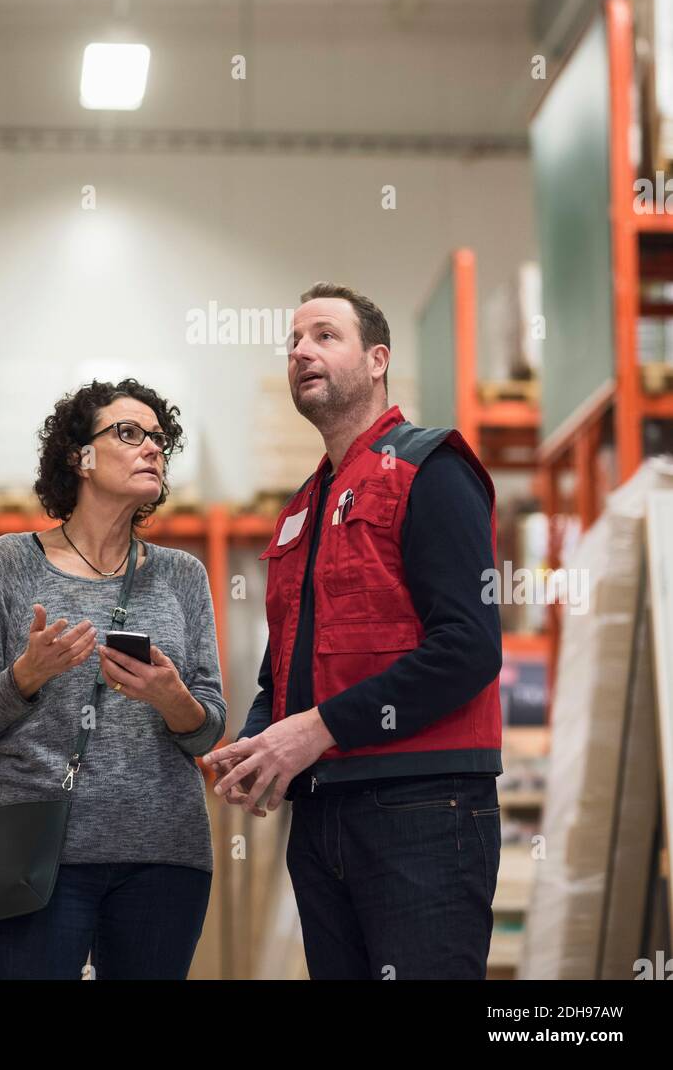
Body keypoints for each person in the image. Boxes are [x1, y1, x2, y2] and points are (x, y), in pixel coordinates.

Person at [205, 282, 502, 980]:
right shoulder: (301, 510)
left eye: (323, 336)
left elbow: (467, 648)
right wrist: (260, 742)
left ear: (377, 360)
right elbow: (287, 668)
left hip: (424, 808)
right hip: (323, 813)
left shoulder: (431, 469)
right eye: (292, 343)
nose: (300, 351)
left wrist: (317, 729)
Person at [0, 377, 226, 980]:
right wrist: (26, 676)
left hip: (162, 855)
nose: (152, 447)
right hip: (32, 854)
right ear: (80, 457)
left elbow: (207, 732)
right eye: (129, 433)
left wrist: (172, 698)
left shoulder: (183, 576)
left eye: (159, 437)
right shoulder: (7, 564)